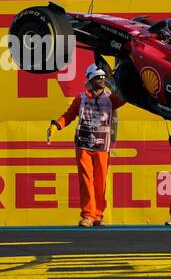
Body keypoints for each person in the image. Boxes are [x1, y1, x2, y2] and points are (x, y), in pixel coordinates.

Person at [47, 63, 126, 227]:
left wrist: (117, 80)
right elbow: (68, 116)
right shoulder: (80, 99)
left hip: (102, 147)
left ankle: (98, 215)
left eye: (104, 78)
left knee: (100, 182)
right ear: (90, 79)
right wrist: (55, 126)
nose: (102, 80)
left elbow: (124, 96)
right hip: (83, 146)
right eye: (98, 78)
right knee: (86, 181)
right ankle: (88, 215)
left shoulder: (111, 99)